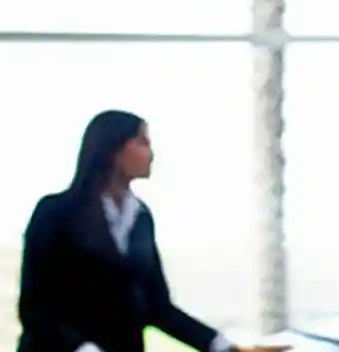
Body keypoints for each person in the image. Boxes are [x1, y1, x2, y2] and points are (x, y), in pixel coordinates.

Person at [17, 110, 265, 352]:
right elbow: (34, 308)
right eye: (143, 142)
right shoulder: (55, 213)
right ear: (114, 150)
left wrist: (221, 345)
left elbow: (157, 306)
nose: (152, 154)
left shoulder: (140, 218)